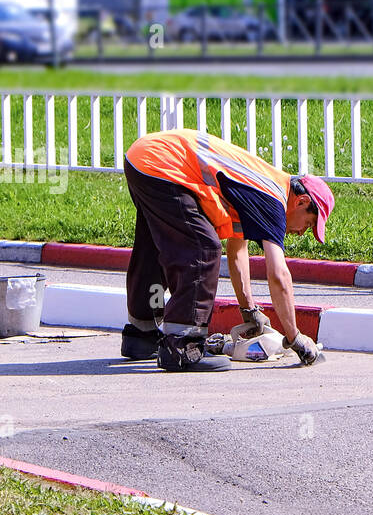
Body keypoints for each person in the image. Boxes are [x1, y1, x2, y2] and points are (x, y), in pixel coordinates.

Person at [119, 127, 334, 370]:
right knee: (203, 250)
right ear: (302, 201)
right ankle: (182, 347)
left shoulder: (261, 187)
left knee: (155, 251)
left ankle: (141, 334)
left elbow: (237, 251)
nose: (302, 232)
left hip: (144, 158)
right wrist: (295, 337)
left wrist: (249, 311)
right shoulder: (275, 201)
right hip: (164, 164)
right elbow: (279, 275)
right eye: (309, 223)